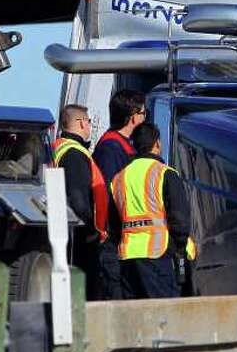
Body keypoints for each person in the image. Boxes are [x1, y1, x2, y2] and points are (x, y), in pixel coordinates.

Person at [109, 122, 194, 299]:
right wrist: (180, 247)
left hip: (127, 258)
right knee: (163, 317)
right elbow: (179, 217)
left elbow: (114, 223)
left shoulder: (118, 178)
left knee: (135, 317)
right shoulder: (165, 173)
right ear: (156, 143)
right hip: (158, 255)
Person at [92, 90, 146, 300]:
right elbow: (110, 192)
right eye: (143, 114)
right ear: (133, 117)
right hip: (113, 239)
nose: (144, 119)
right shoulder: (111, 148)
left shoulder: (122, 146)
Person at [51, 104, 106, 300]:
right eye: (89, 121)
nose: (90, 126)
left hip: (69, 234)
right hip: (81, 239)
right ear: (82, 123)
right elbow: (78, 199)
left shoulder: (58, 147)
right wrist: (92, 228)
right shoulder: (75, 154)